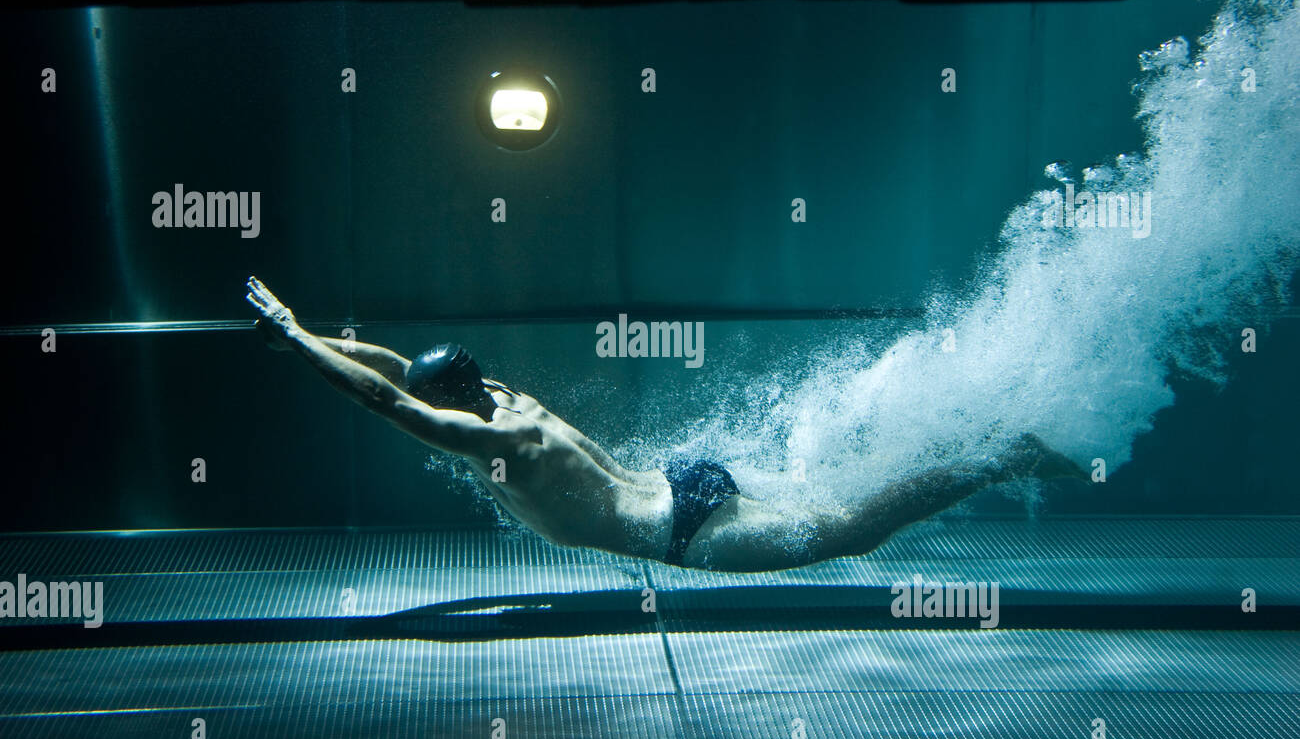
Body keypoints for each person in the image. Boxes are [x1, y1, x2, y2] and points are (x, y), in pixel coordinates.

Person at [247, 277, 1085, 572]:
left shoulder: (493, 439)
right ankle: (955, 442)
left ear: (450, 402)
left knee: (851, 529)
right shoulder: (502, 396)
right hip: (685, 480)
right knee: (833, 493)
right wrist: (300, 325)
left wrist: (289, 340)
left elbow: (387, 398)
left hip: (683, 529)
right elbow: (395, 372)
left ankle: (999, 459)